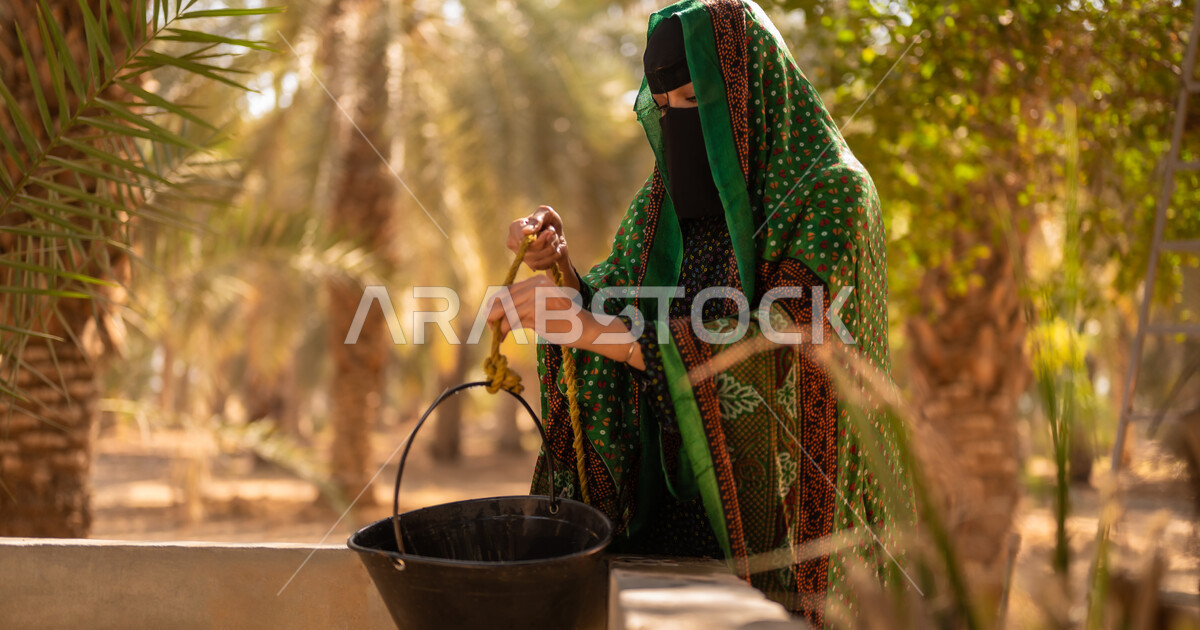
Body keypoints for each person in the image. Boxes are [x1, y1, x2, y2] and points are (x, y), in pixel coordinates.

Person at [486, 0, 912, 624]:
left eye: (692, 102)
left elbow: (786, 342)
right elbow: (619, 304)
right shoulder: (666, 204)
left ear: (748, 94)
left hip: (798, 544)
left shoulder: (831, 194)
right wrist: (562, 272)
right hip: (677, 534)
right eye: (662, 109)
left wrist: (598, 331)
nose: (676, 124)